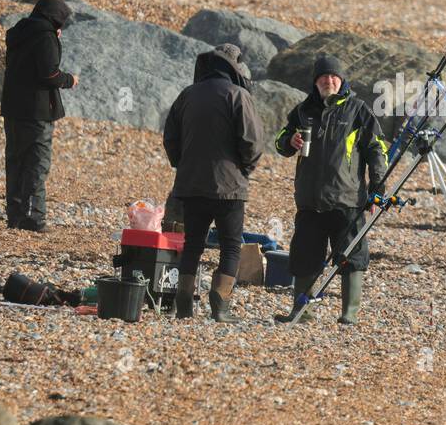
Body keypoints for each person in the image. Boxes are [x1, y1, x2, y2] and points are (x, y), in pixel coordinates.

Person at [273, 55, 389, 325]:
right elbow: (280, 143)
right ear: (316, 81)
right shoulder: (302, 111)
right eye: (323, 77)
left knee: (352, 256)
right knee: (304, 257)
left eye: (334, 76)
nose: (329, 80)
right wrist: (290, 140)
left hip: (347, 200)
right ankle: (302, 313)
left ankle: (349, 313)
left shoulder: (358, 110)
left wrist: (378, 187)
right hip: (310, 201)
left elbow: (377, 149)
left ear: (342, 80)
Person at [163, 44, 265, 322]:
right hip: (229, 188)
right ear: (234, 68)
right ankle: (220, 305)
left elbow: (170, 137)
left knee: (193, 242)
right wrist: (244, 169)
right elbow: (252, 142)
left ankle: (183, 303)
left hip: (191, 184)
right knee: (231, 245)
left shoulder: (187, 95)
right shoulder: (238, 95)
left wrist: (182, 164)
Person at [0, 0, 78, 232]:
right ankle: (33, 218)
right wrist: (69, 80)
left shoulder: (20, 33)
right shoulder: (45, 37)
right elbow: (49, 74)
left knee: (16, 162)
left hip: (13, 109)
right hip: (37, 112)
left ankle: (15, 216)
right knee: (36, 164)